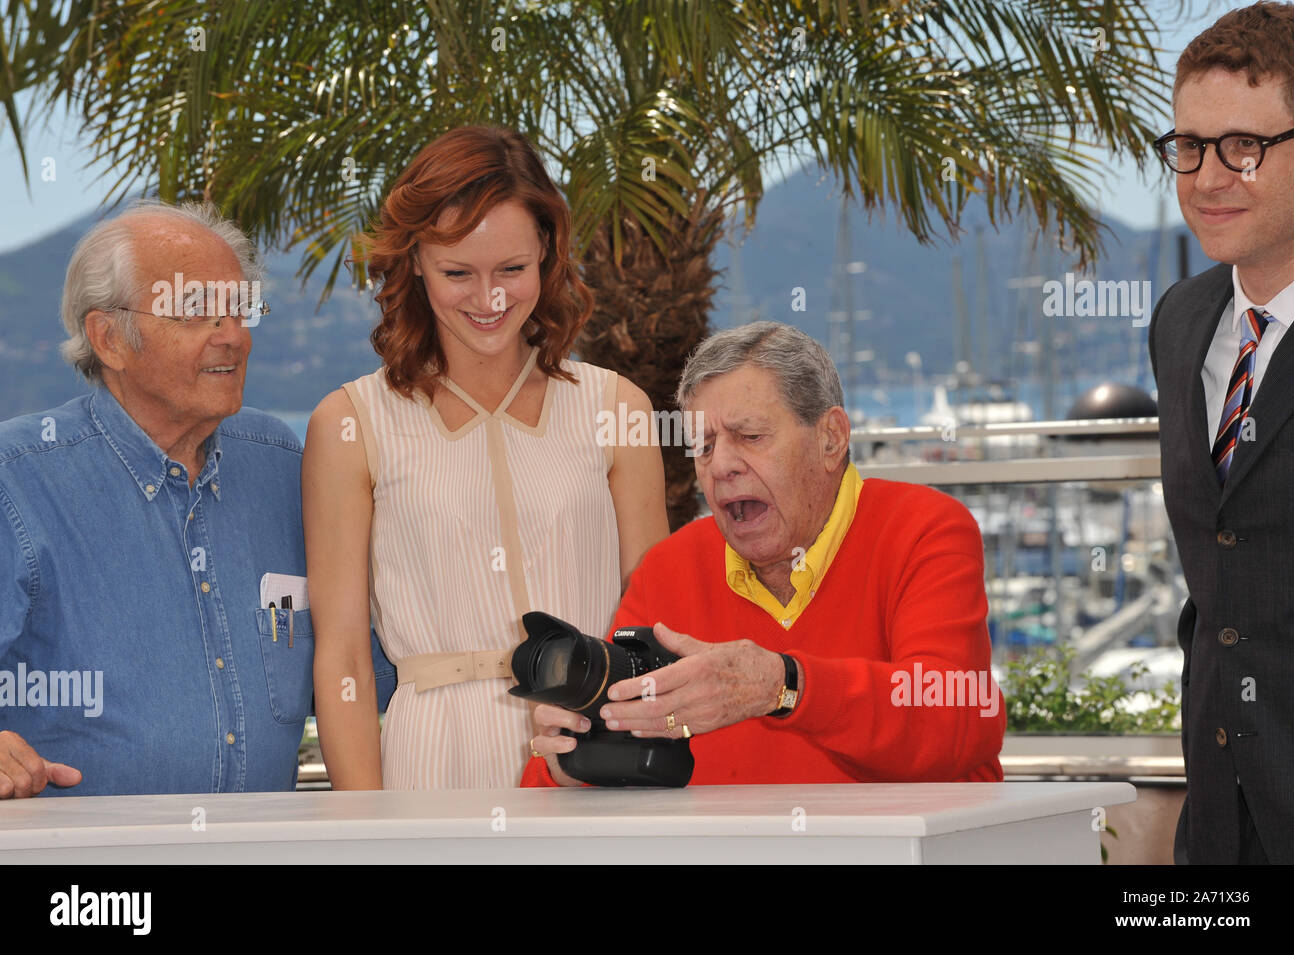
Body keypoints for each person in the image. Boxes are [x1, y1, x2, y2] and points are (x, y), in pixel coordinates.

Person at [305, 126, 669, 789]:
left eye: (512, 269)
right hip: (432, 767)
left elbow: (650, 633)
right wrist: (361, 830)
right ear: (414, 260)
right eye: (457, 273)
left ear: (547, 256)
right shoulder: (351, 423)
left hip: (596, 757)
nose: (489, 298)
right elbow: (344, 657)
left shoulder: (619, 407)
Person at [0, 199, 393, 797]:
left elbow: (366, 663)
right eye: (196, 310)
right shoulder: (19, 479)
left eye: (239, 309)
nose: (232, 336)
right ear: (109, 338)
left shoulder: (283, 462)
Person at [524, 322, 1004, 787]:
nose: (722, 466)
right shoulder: (669, 568)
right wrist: (570, 765)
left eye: (750, 436)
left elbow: (955, 720)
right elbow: (548, 780)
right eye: (704, 446)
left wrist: (782, 686)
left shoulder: (924, 528)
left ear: (831, 438)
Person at [1148, 1, 1294, 864]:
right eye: (1188, 146)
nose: (1209, 176)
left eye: (1246, 146)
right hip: (1217, 817)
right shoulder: (1181, 320)